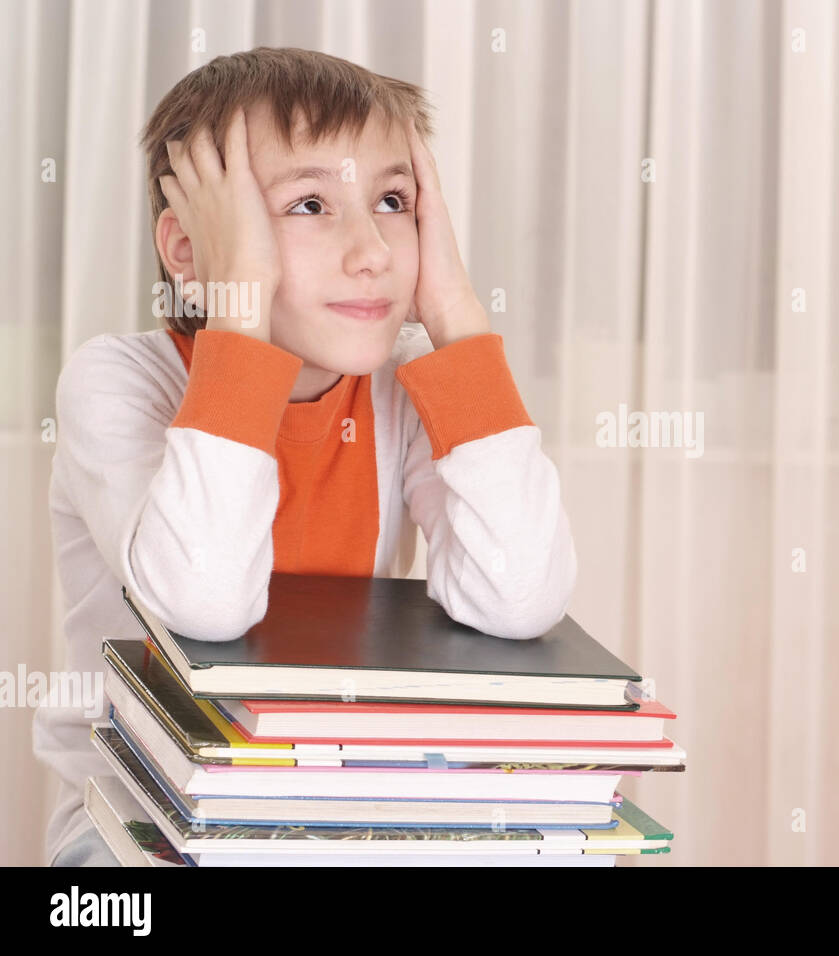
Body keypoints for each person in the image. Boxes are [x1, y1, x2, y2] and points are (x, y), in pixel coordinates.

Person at [37, 46, 577, 867]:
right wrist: (240, 303)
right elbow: (206, 604)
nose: (370, 250)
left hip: (349, 802)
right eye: (308, 205)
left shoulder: (400, 395)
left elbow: (522, 596)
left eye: (393, 200)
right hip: (146, 823)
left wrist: (457, 314)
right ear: (191, 248)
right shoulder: (116, 382)